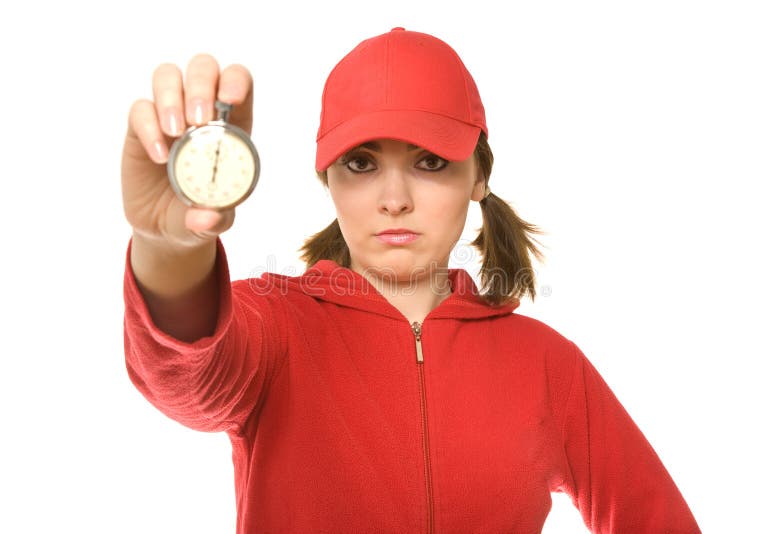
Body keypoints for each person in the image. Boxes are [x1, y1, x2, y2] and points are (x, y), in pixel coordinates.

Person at [121, 27, 701, 533]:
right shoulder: (274, 329)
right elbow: (185, 381)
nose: (394, 200)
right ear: (328, 178)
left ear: (479, 176)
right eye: (362, 164)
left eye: (429, 162)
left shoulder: (549, 365)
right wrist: (170, 247)